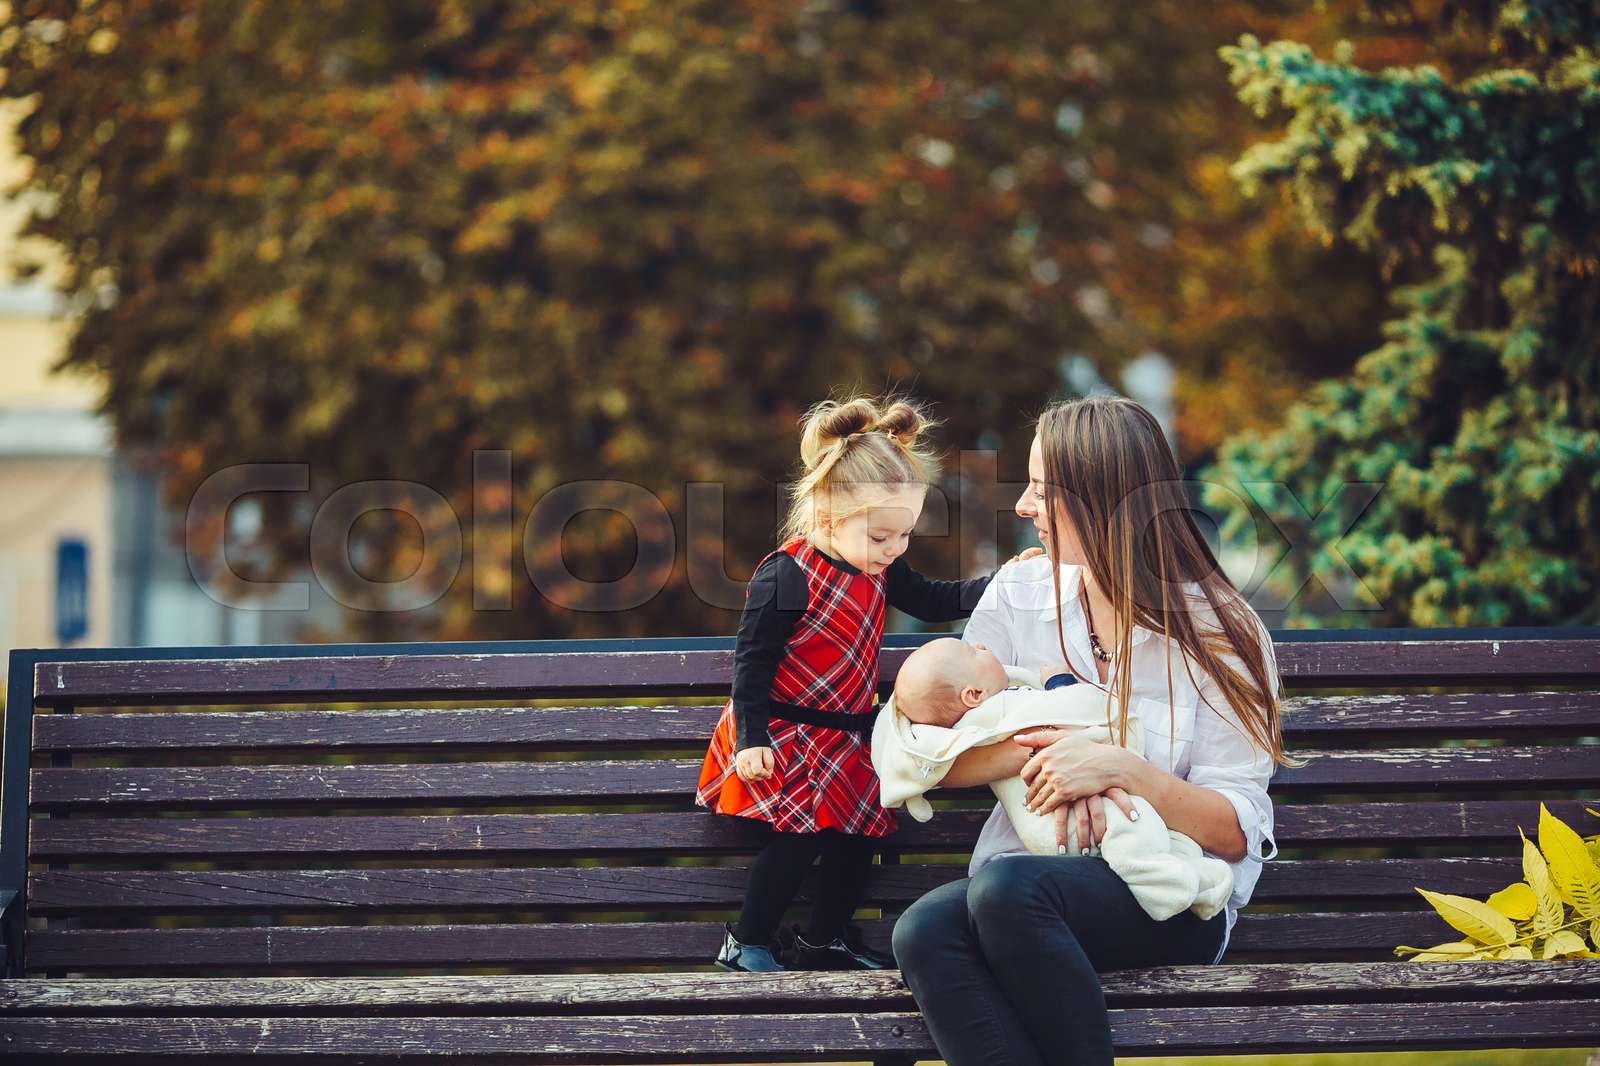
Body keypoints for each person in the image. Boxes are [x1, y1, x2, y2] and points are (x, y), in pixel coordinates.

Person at [891, 395, 1290, 1066]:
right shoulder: (1019, 596)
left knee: (1009, 892)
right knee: (925, 930)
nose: (1022, 506)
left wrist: (1121, 768)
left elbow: (1231, 831)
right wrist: (1047, 740)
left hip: (1173, 893)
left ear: (1101, 500)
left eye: (1042, 491)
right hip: (1030, 892)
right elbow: (932, 749)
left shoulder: (1219, 631)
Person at [694, 394, 993, 972]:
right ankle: (747, 942)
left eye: (904, 535)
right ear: (830, 517)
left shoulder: (879, 568)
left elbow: (935, 599)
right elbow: (752, 664)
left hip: (847, 741)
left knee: (860, 838)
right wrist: (752, 738)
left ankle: (822, 938)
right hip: (785, 739)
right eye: (882, 537)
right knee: (801, 836)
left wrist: (1000, 583)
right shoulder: (788, 573)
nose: (894, 550)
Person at [873, 638, 1233, 923]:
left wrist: (1105, 767)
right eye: (973, 652)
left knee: (1146, 833)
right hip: (1063, 822)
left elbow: (917, 743)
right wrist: (1059, 691)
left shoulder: (974, 722)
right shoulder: (998, 711)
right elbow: (1077, 706)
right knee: (1130, 831)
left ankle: (1193, 879)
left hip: (1046, 842)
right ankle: (1166, 888)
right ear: (973, 695)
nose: (981, 645)